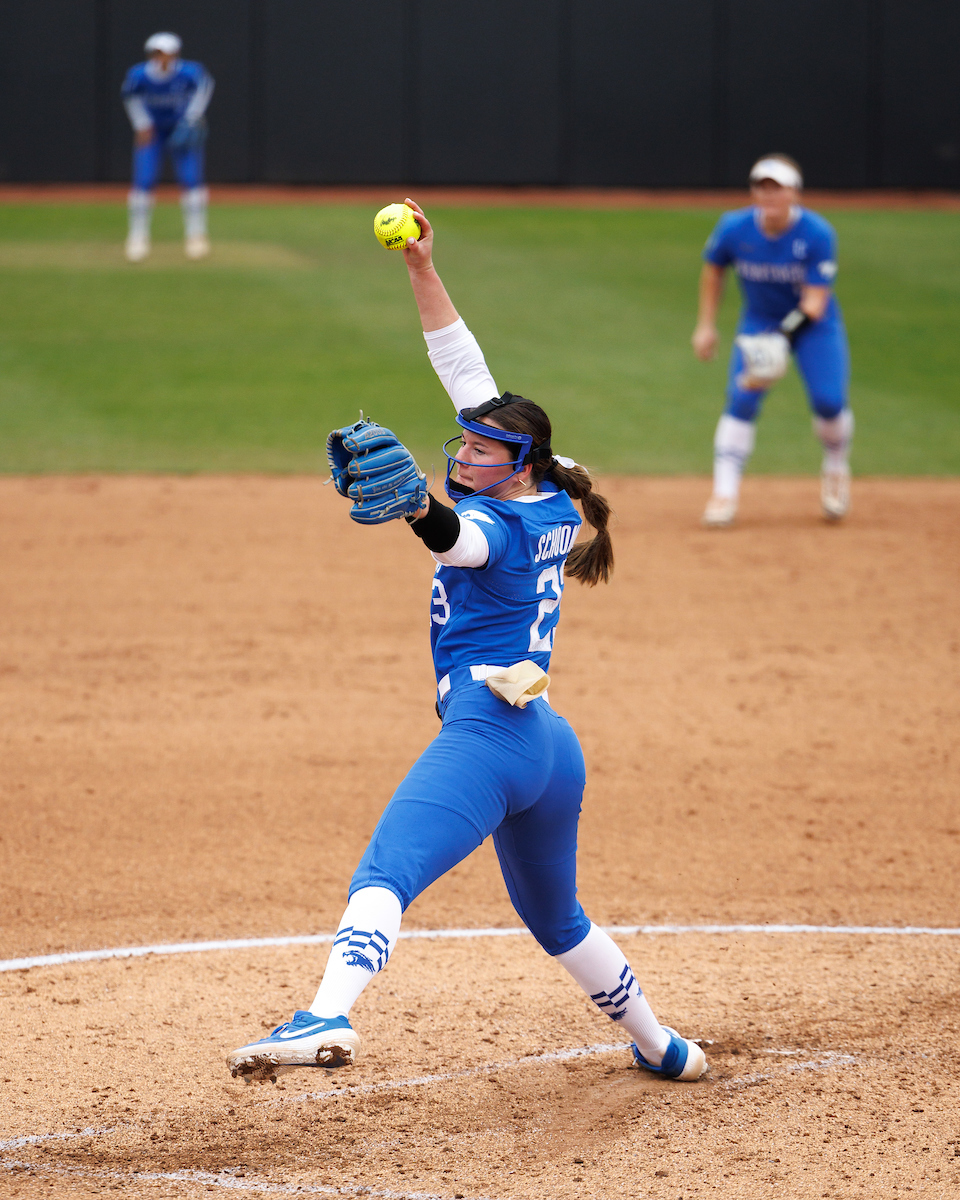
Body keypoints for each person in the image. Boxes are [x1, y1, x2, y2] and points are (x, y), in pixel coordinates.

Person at [226, 199, 707, 1085]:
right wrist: (420, 269)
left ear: (514, 463)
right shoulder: (552, 498)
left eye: (481, 449)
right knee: (557, 921)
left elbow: (460, 542)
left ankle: (325, 1013)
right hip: (548, 745)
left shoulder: (495, 526)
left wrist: (417, 508)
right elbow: (463, 363)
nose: (464, 453)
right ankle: (665, 1047)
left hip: (489, 737)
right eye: (467, 442)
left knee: (386, 870)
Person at [692, 154, 854, 526]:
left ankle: (835, 467)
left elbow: (814, 301)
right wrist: (706, 325)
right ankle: (724, 493)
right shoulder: (735, 227)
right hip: (760, 321)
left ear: (794, 193)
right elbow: (713, 269)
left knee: (830, 402)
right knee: (742, 399)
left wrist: (782, 338)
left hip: (815, 326)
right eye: (761, 187)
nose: (768, 195)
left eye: (776, 188)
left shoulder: (817, 233)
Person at [120, 32, 214, 263]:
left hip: (180, 129)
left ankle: (196, 236)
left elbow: (206, 86)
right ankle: (137, 237)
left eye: (167, 53)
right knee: (143, 181)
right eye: (158, 53)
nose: (162, 58)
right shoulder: (139, 75)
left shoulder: (189, 72)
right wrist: (141, 124)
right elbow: (130, 96)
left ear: (175, 54)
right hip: (154, 131)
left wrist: (192, 117)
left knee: (191, 180)